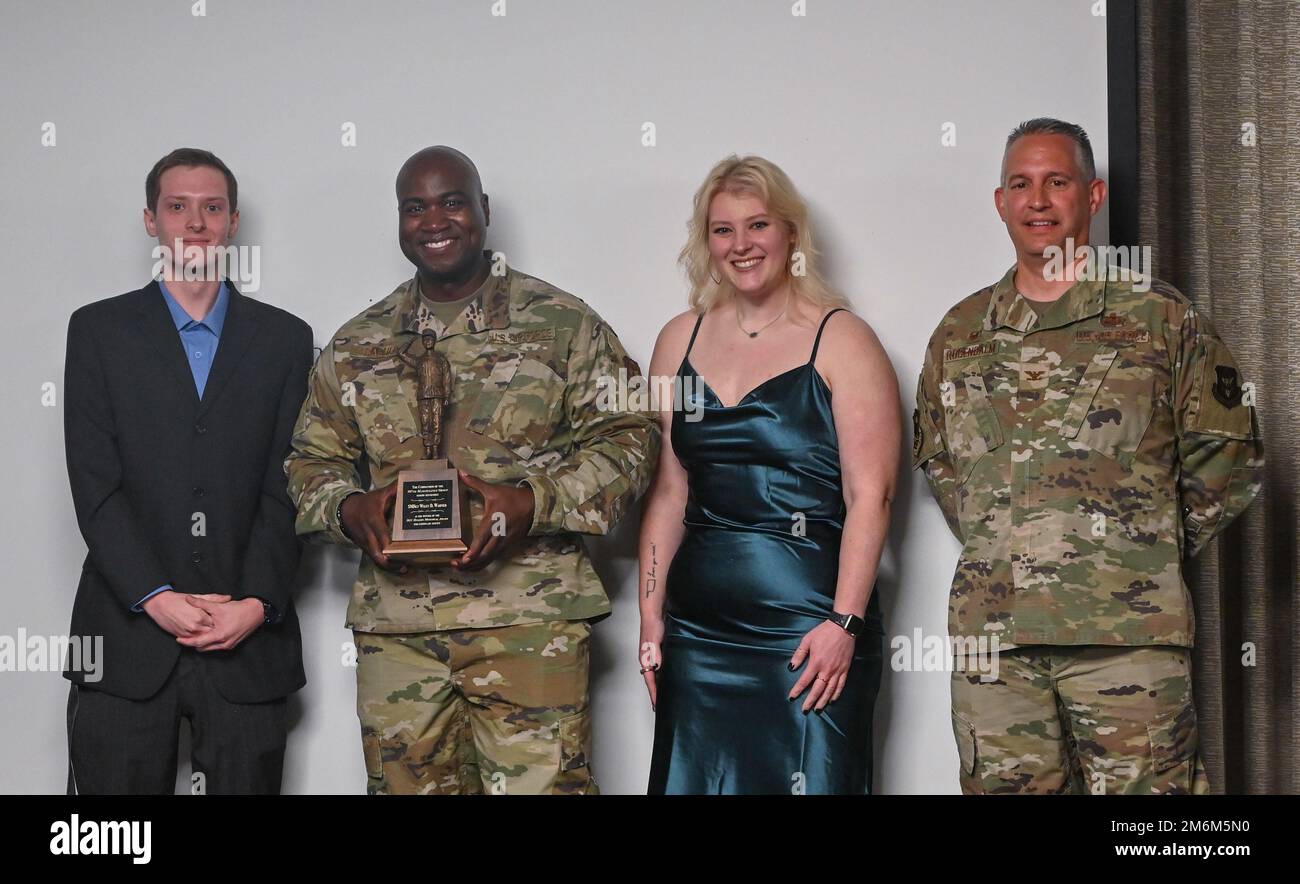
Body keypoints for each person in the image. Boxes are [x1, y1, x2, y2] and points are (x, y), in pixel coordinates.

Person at [285, 146, 659, 795]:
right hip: (397, 632)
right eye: (414, 207)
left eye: (452, 200)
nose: (435, 219)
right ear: (399, 222)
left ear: (483, 211)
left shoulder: (564, 326)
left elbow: (629, 440)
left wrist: (534, 501)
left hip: (528, 622)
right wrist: (349, 510)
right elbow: (310, 461)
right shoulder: (356, 344)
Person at [913, 118, 1264, 794]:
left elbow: (1227, 456)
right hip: (996, 640)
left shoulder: (1161, 318)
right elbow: (943, 466)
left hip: (1127, 636)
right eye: (1021, 184)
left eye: (1057, 182)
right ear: (1000, 201)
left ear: (1093, 196)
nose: (1037, 200)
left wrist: (1142, 542)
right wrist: (1018, 539)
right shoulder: (959, 333)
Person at [639, 155, 898, 794]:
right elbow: (671, 489)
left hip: (809, 628)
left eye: (757, 226)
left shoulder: (842, 339)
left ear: (788, 233)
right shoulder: (678, 339)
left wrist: (844, 624)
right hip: (697, 633)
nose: (742, 245)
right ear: (706, 242)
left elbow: (874, 495)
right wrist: (650, 619)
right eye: (723, 230)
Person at [63, 148, 313, 794]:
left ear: (232, 221)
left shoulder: (287, 341)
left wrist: (256, 603)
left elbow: (294, 486)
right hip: (124, 643)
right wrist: (157, 598)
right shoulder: (97, 333)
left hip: (247, 644)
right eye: (178, 207)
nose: (195, 223)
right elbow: (96, 488)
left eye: (211, 208)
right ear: (152, 220)